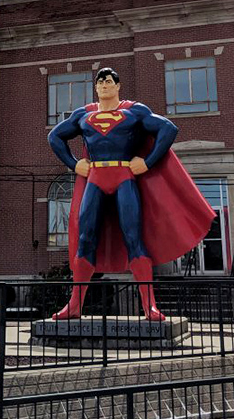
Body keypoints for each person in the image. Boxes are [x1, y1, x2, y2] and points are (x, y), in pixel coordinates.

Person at [48, 67, 215, 320]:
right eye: (100, 81)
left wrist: (147, 162)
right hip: (95, 179)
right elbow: (55, 137)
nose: (104, 84)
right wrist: (73, 164)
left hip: (124, 177)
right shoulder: (83, 114)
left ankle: (150, 306)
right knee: (86, 238)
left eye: (109, 81)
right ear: (96, 88)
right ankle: (74, 305)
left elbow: (168, 129)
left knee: (134, 238)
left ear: (118, 85)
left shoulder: (134, 111)